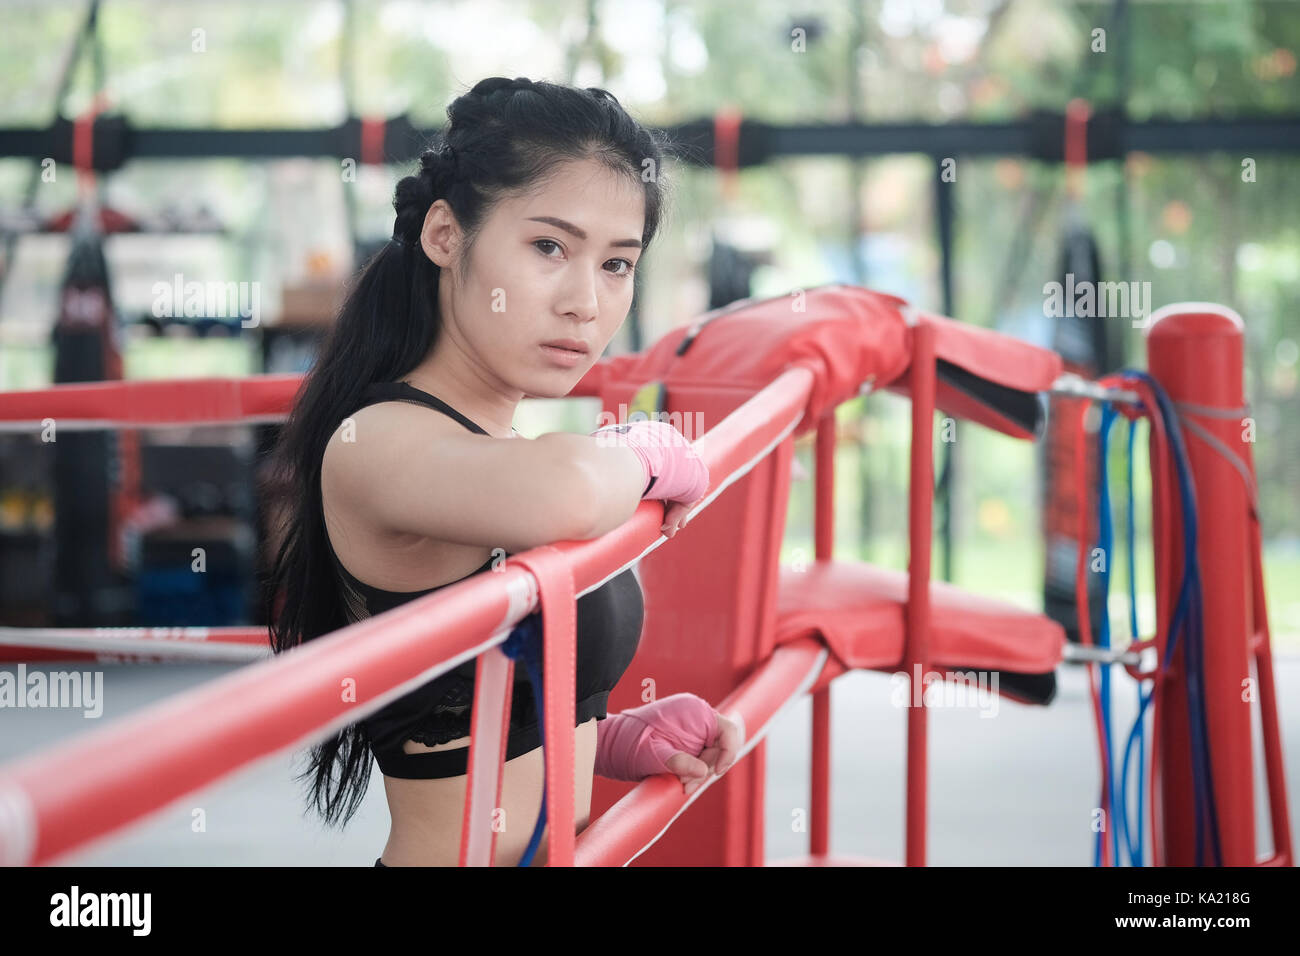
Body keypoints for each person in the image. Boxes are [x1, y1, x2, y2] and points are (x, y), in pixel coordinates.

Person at [263, 76, 741, 867]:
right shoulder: (378, 441)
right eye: (549, 247)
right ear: (447, 236)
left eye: (617, 264)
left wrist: (613, 740)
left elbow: (476, 703)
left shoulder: (493, 447)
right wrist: (649, 447)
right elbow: (569, 491)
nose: (585, 302)